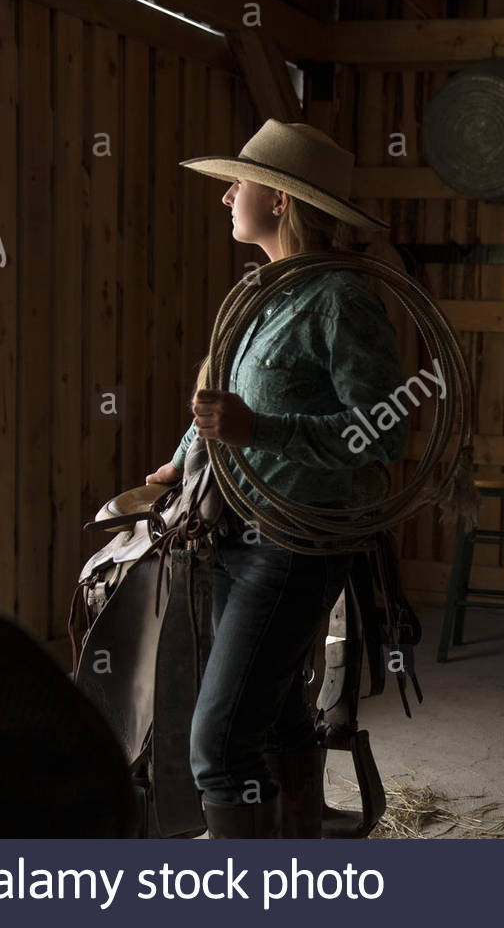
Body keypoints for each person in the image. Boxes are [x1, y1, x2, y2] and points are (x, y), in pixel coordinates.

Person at [144, 120, 409, 838]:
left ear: (282, 202)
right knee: (274, 710)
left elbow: (383, 430)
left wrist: (257, 434)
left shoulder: (340, 301)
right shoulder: (266, 294)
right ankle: (299, 849)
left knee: (219, 744)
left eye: (240, 183)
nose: (227, 195)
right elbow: (224, 396)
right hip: (236, 529)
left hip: (291, 546)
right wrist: (181, 460)